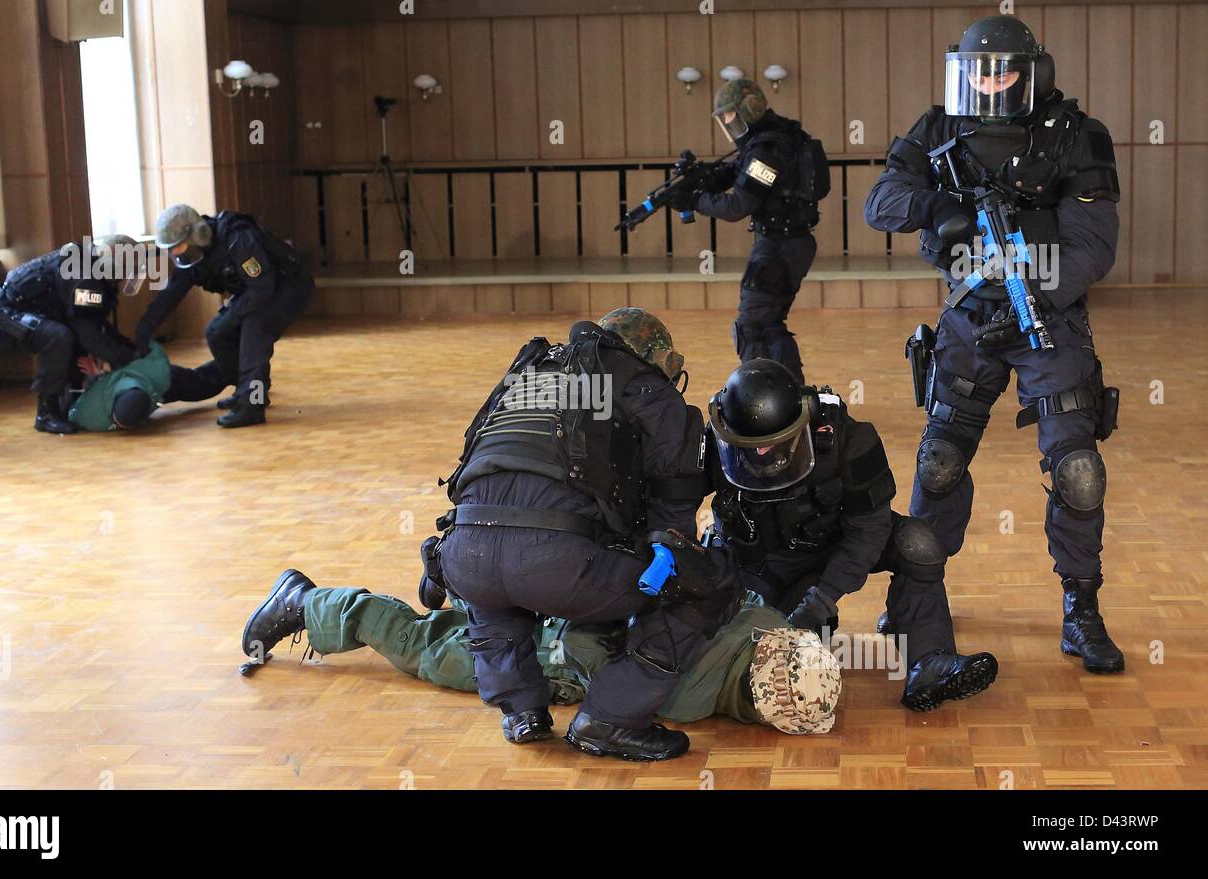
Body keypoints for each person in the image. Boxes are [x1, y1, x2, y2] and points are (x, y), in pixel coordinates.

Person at [863, 14, 1123, 674]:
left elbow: (1093, 247)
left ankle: (1081, 608)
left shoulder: (1074, 135)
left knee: (1078, 470)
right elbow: (881, 200)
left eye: (1002, 69)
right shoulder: (939, 128)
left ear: (1033, 70)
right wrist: (937, 211)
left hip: (1047, 317)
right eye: (977, 70)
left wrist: (1029, 283)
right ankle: (916, 598)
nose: (988, 81)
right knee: (939, 463)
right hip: (969, 315)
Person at [416, 307, 739, 761]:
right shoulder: (647, 387)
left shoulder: (526, 374)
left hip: (464, 557)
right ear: (654, 358)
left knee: (493, 575)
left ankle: (521, 708)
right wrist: (676, 568)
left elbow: (475, 470)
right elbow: (674, 521)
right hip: (556, 567)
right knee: (707, 581)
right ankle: (611, 719)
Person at [705, 358, 999, 711]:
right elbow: (669, 510)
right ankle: (811, 632)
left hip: (838, 543)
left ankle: (929, 662)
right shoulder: (713, 441)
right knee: (767, 661)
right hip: (766, 565)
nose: (761, 455)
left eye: (773, 443)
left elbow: (869, 532)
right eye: (750, 446)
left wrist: (823, 598)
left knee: (916, 543)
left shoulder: (851, 440)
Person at [238, 569, 842, 737]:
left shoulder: (764, 620)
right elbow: (595, 661)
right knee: (425, 650)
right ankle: (311, 603)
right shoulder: (690, 697)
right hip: (549, 646)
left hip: (575, 590)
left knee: (447, 629)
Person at [667, 79, 827, 383]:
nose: (727, 123)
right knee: (768, 324)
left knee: (751, 327)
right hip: (788, 243)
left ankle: (766, 393)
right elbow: (740, 173)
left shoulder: (767, 150)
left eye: (728, 115)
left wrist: (696, 200)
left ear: (748, 110)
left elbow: (739, 204)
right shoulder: (777, 138)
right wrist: (704, 179)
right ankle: (790, 391)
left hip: (780, 247)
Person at [132, 205, 314, 428]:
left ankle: (251, 405)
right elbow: (169, 296)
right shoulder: (192, 255)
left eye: (178, 246)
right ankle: (249, 389)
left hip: (288, 286)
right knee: (216, 332)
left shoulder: (238, 240)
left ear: (198, 234)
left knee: (254, 328)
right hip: (257, 288)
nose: (175, 253)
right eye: (171, 249)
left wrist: (232, 317)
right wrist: (143, 331)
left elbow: (262, 288)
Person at [0, 235, 143, 434]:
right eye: (126, 270)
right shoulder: (84, 279)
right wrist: (129, 359)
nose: (126, 277)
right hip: (2, 318)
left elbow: (94, 322)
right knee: (59, 337)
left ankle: (69, 403)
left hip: (27, 313)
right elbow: (90, 336)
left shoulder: (93, 267)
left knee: (68, 333)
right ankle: (46, 414)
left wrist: (131, 349)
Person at [68, 342, 230, 431]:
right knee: (204, 382)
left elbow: (154, 349)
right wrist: (101, 372)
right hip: (134, 383)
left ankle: (237, 365)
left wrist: (103, 370)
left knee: (204, 384)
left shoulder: (158, 375)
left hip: (157, 379)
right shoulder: (89, 415)